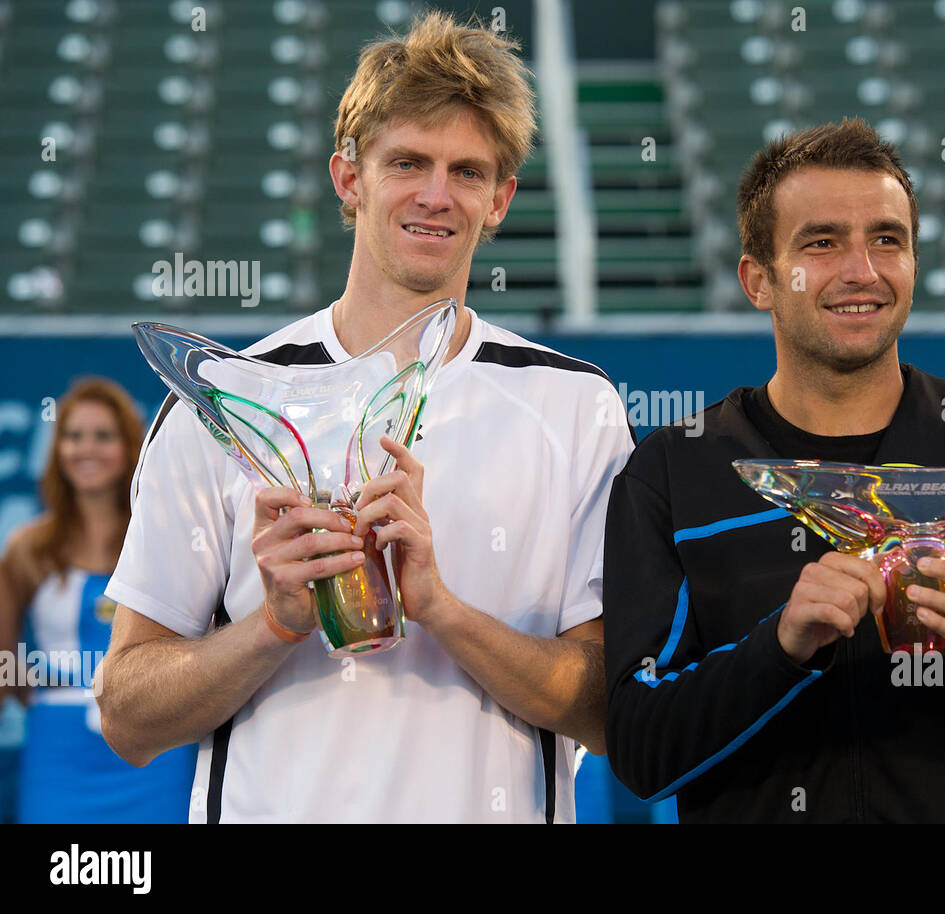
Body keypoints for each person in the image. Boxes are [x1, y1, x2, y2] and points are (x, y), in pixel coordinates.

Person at [95, 11, 632, 823]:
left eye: (468, 172)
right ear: (350, 178)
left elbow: (611, 710)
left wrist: (443, 610)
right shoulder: (228, 400)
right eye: (407, 162)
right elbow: (125, 715)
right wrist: (273, 624)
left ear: (501, 199)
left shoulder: (575, 405)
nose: (435, 195)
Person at [601, 118, 945, 823]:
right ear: (758, 280)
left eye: (888, 240)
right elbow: (639, 750)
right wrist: (782, 647)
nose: (863, 270)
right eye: (822, 243)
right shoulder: (674, 468)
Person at [0, 378, 197, 823]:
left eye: (103, 436)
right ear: (57, 449)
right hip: (58, 751)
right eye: (73, 436)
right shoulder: (28, 548)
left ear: (130, 445)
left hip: (155, 743)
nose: (86, 448)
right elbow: (2, 658)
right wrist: (41, 690)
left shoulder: (167, 538)